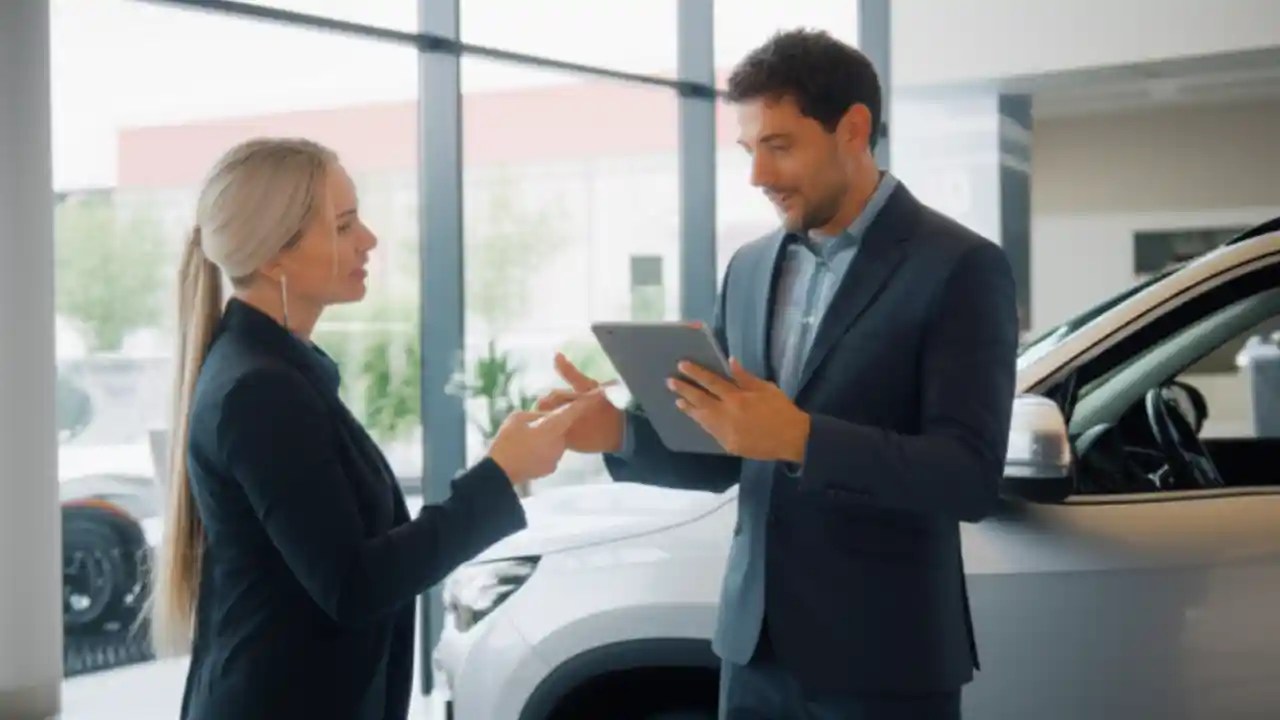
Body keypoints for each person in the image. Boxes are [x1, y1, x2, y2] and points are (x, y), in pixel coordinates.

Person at [538, 30, 1018, 719]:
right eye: (749, 150)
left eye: (780, 146)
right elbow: (725, 454)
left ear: (853, 129)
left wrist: (800, 437)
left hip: (884, 662)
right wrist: (617, 433)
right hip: (752, 654)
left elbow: (967, 476)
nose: (758, 175)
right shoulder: (749, 267)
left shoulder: (961, 267)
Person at [153, 138, 589, 720]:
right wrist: (500, 473)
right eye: (343, 225)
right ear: (275, 257)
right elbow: (354, 585)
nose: (369, 239)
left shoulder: (275, 371)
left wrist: (505, 467)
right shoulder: (261, 391)